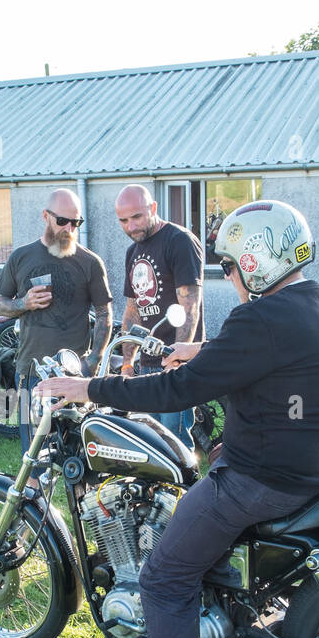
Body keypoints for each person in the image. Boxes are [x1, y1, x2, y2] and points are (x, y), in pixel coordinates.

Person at [36, 201, 319, 638]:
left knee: (163, 578)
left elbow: (175, 392)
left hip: (261, 481)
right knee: (190, 533)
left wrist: (89, 387)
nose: (228, 276)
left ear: (254, 264)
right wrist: (202, 351)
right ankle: (225, 621)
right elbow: (277, 355)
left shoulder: (258, 320)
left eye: (230, 266)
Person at [0, 188, 112, 453]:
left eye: (76, 222)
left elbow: (104, 312)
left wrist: (93, 362)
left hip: (74, 375)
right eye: (62, 221)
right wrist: (24, 303)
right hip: (32, 372)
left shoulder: (90, 262)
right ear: (45, 216)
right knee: (36, 453)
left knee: (77, 455)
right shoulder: (21, 257)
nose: (69, 228)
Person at [114, 183, 204, 447]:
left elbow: (189, 306)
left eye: (137, 217)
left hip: (173, 362)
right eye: (123, 221)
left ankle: (186, 479)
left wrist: (177, 358)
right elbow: (133, 310)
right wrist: (128, 363)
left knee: (174, 442)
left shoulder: (179, 241)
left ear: (153, 208)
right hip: (146, 363)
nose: (131, 227)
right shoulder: (133, 252)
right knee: (149, 442)